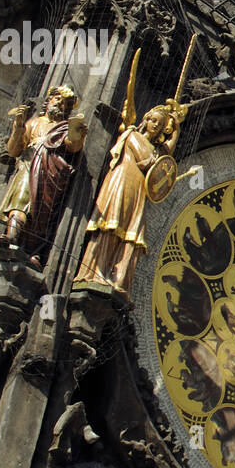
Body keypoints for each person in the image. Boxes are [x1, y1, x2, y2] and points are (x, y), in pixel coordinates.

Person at [74, 50, 183, 297]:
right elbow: (151, 163)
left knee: (129, 233)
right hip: (123, 183)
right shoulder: (133, 136)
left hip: (139, 191)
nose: (155, 125)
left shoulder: (157, 147)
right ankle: (96, 272)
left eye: (159, 124)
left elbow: (165, 159)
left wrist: (175, 126)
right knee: (112, 225)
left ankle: (117, 277)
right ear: (146, 120)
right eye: (153, 120)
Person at [0, 86, 87, 265]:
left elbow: (73, 147)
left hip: (51, 174)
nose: (60, 104)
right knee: (20, 199)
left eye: (65, 103)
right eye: (57, 99)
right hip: (29, 166)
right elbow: (14, 151)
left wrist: (78, 134)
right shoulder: (34, 123)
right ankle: (11, 236)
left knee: (42, 216)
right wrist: (19, 126)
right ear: (48, 100)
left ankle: (33, 251)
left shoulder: (63, 128)